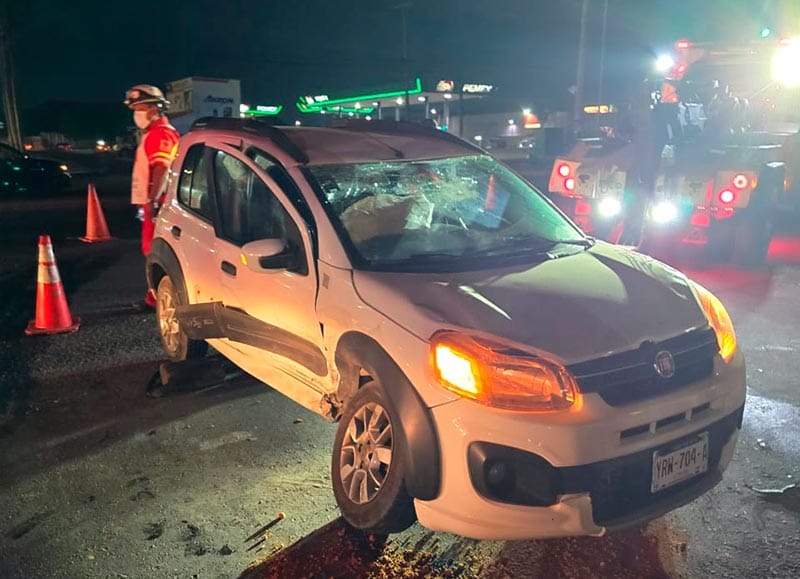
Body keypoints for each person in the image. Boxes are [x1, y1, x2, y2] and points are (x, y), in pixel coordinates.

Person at [123, 84, 180, 309]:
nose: (138, 113)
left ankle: (157, 298)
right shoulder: (152, 134)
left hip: (160, 202)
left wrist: (153, 201)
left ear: (156, 109)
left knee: (155, 250)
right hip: (156, 201)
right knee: (152, 249)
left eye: (141, 107)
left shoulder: (161, 134)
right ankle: (155, 295)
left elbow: (161, 168)